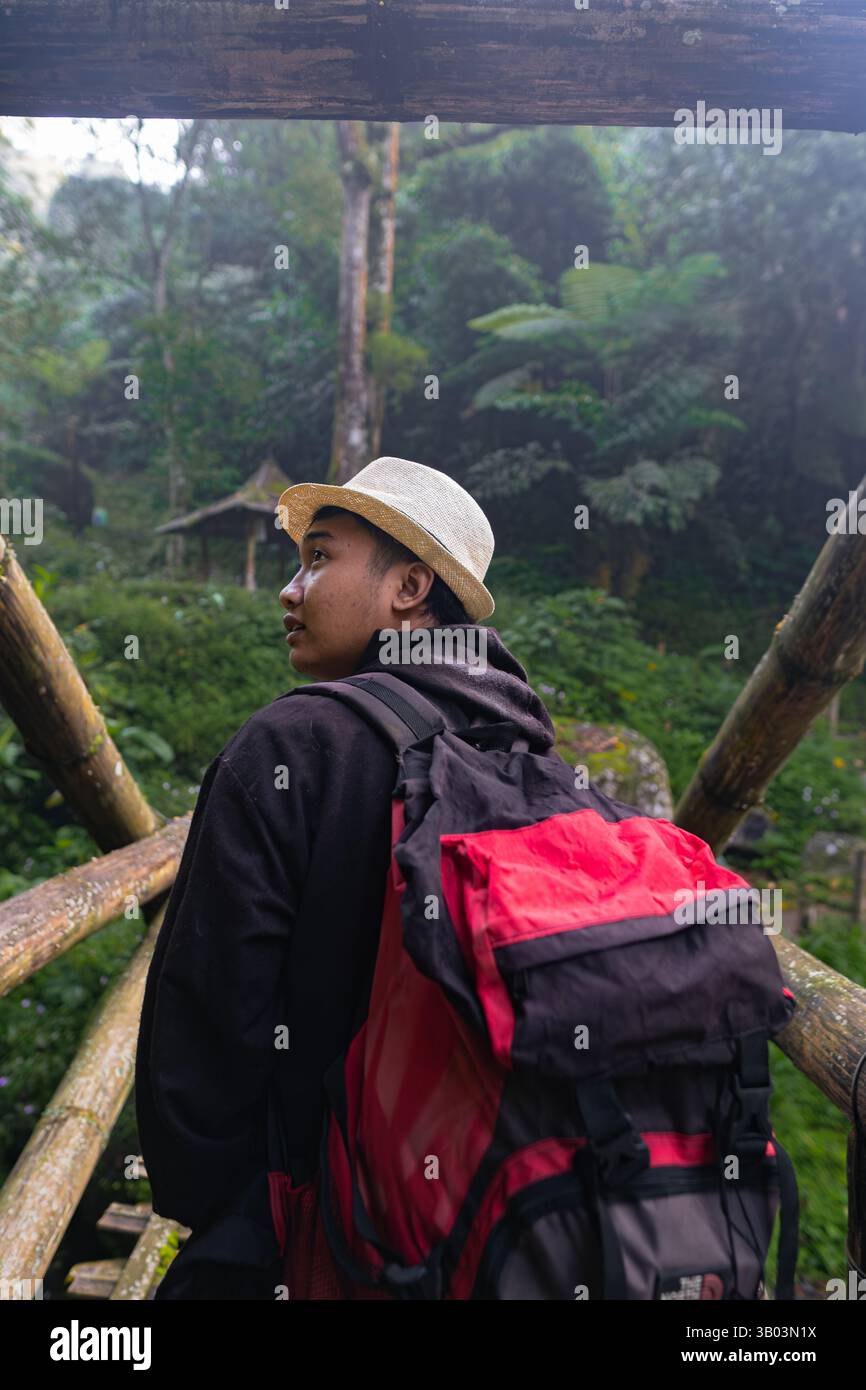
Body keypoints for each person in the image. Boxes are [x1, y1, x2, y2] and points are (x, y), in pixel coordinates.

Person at [134, 455, 558, 1298]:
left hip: (318, 1233)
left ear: (409, 585)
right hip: (498, 1224)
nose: (290, 590)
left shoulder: (295, 746)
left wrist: (216, 1215)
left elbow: (205, 1023)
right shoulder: (528, 758)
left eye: (320, 557)